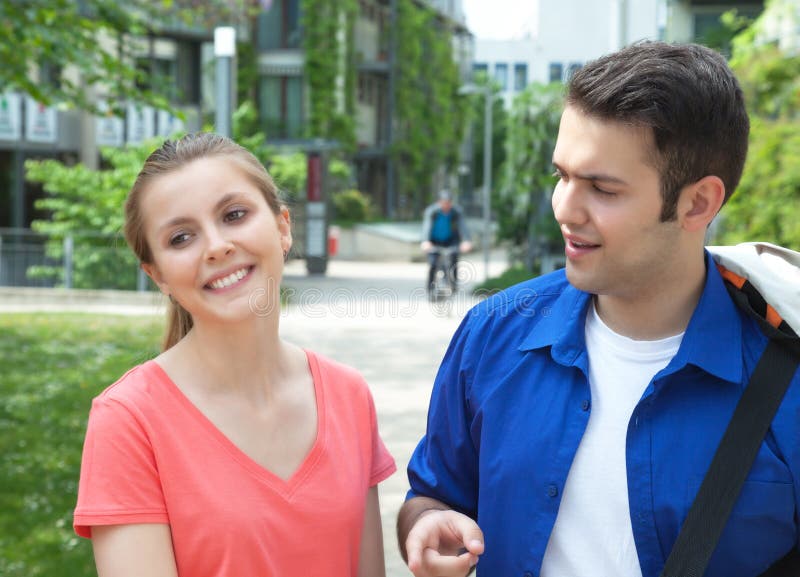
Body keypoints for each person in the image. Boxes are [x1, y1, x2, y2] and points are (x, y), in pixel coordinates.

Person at [397, 41, 800, 577]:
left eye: (602, 189)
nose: (563, 208)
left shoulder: (786, 380)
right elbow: (433, 492)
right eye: (561, 175)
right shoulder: (492, 333)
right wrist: (427, 523)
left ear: (698, 203)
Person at [73, 133, 396, 577]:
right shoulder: (129, 420)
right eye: (182, 237)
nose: (216, 246)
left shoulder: (348, 396)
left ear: (283, 226)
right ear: (158, 276)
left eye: (234, 215)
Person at [421, 189, 472, 295]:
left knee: (453, 259)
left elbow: (462, 226)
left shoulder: (456, 212)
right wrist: (425, 241)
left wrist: (466, 240)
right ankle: (430, 289)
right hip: (434, 241)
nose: (446, 205)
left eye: (448, 203)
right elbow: (427, 226)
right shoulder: (432, 212)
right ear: (439, 202)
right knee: (433, 263)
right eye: (444, 203)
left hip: (450, 240)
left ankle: (453, 286)